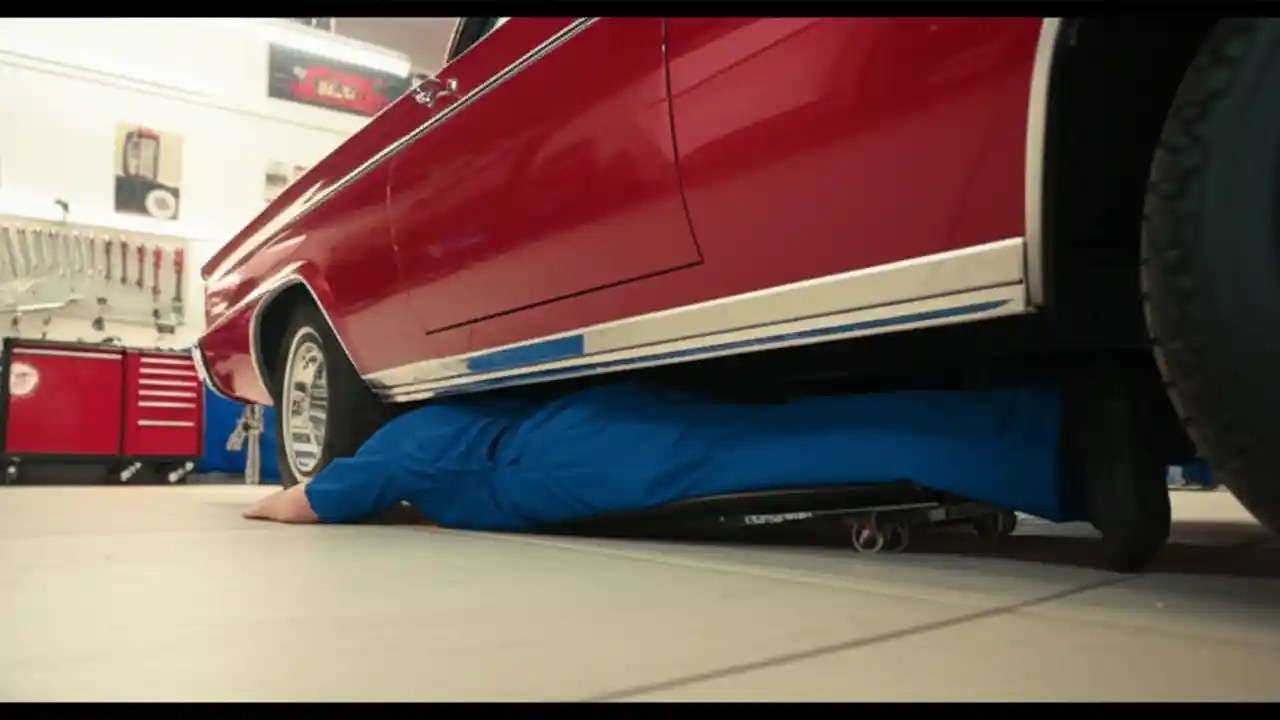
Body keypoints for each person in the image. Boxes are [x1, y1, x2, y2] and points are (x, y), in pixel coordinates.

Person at [244, 382, 1072, 531]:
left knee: (810, 449)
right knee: (800, 429)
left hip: (569, 461)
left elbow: (309, 501)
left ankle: (1053, 456)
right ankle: (1034, 422)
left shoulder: (391, 447)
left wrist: (256, 501)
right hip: (600, 415)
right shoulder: (455, 411)